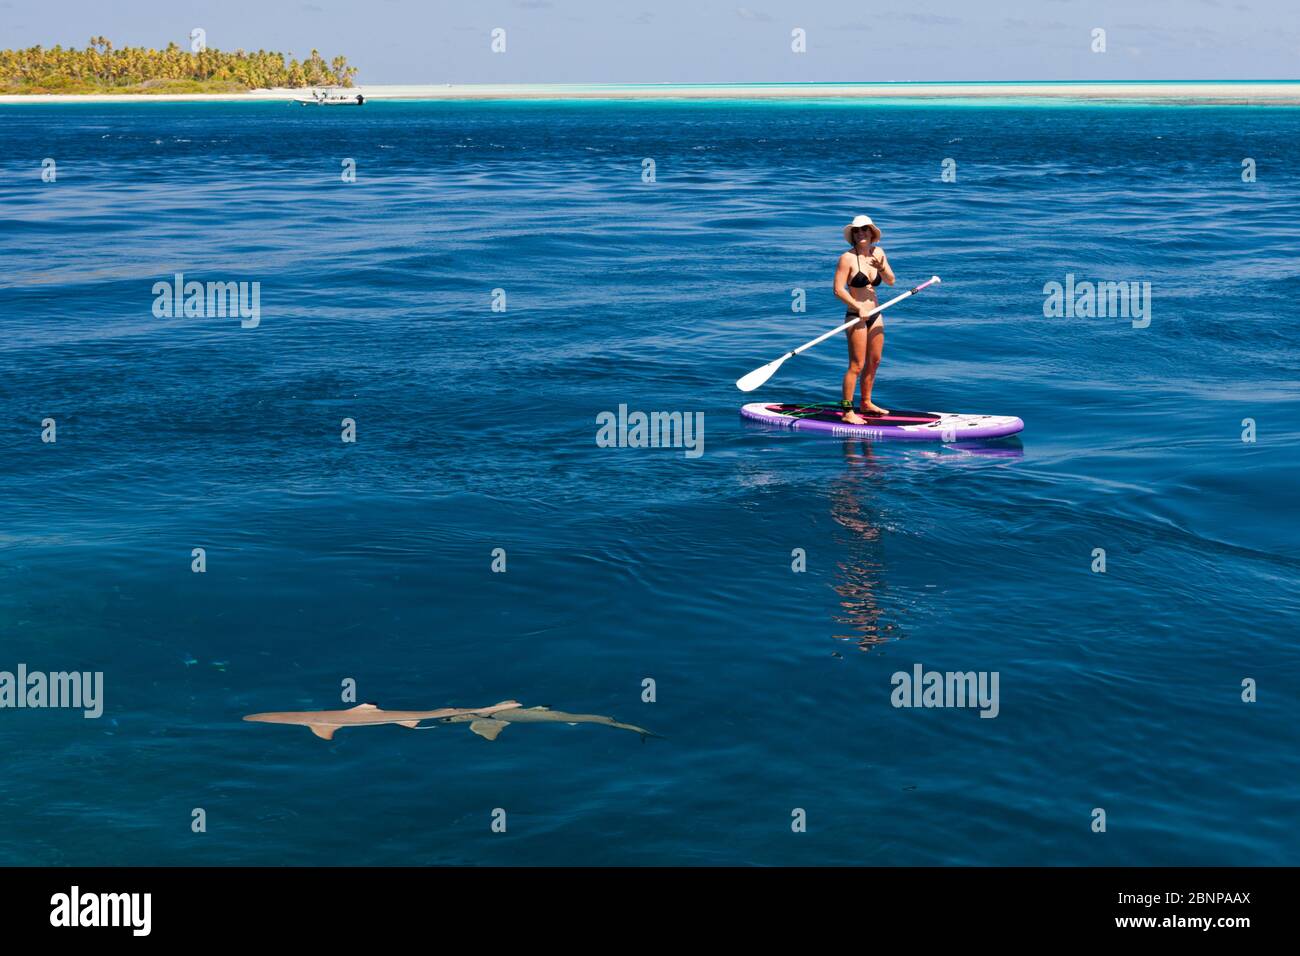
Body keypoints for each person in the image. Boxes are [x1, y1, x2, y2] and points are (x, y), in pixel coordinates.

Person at [833, 215, 895, 422]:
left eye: (864, 229)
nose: (861, 233)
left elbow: (891, 281)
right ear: (853, 235)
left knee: (874, 361)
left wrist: (881, 267)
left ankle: (866, 403)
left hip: (876, 314)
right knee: (856, 365)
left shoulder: (878, 253)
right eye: (857, 230)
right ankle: (847, 412)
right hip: (855, 315)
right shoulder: (847, 258)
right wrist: (857, 306)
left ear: (871, 233)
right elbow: (837, 290)